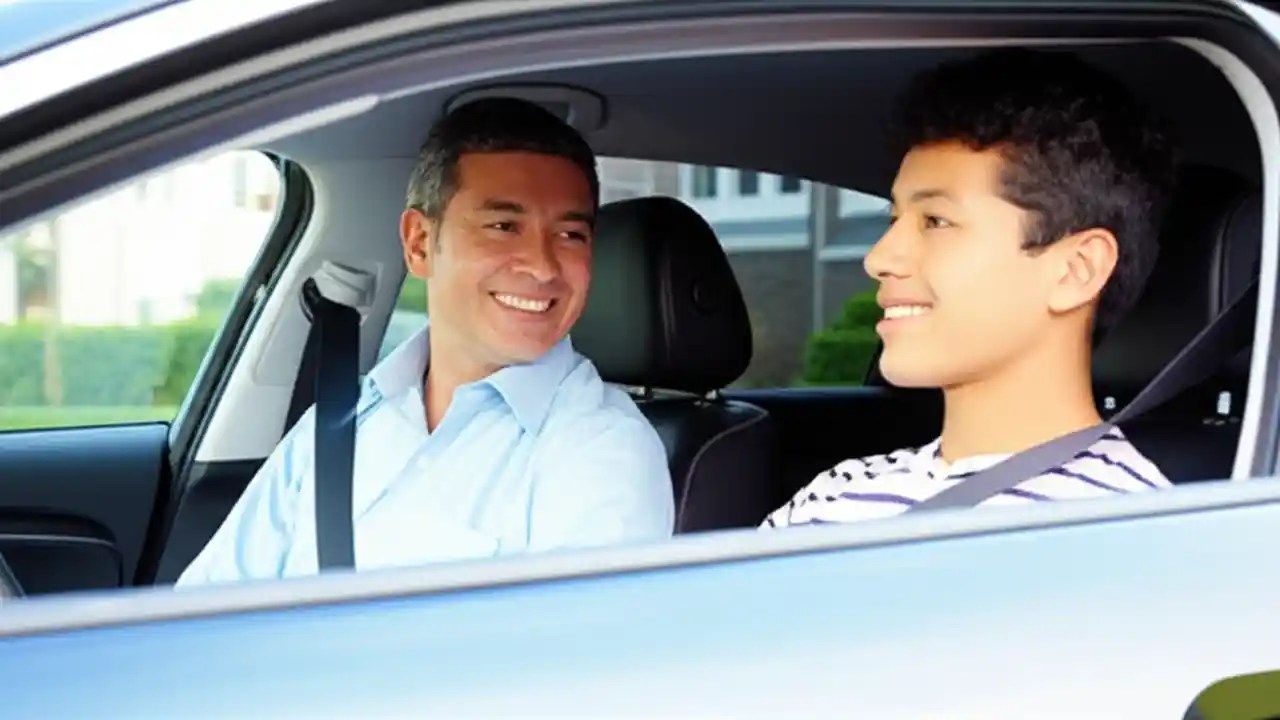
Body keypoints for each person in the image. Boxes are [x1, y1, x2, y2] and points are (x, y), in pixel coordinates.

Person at [179, 98, 674, 584]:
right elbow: (202, 615)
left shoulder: (599, 452)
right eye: (504, 227)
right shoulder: (336, 424)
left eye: (570, 235)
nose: (543, 266)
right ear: (419, 243)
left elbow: (575, 663)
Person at [765, 49, 1177, 528]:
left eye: (936, 221)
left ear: (1075, 270)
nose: (878, 259)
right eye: (894, 219)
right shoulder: (838, 492)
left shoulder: (1129, 535)